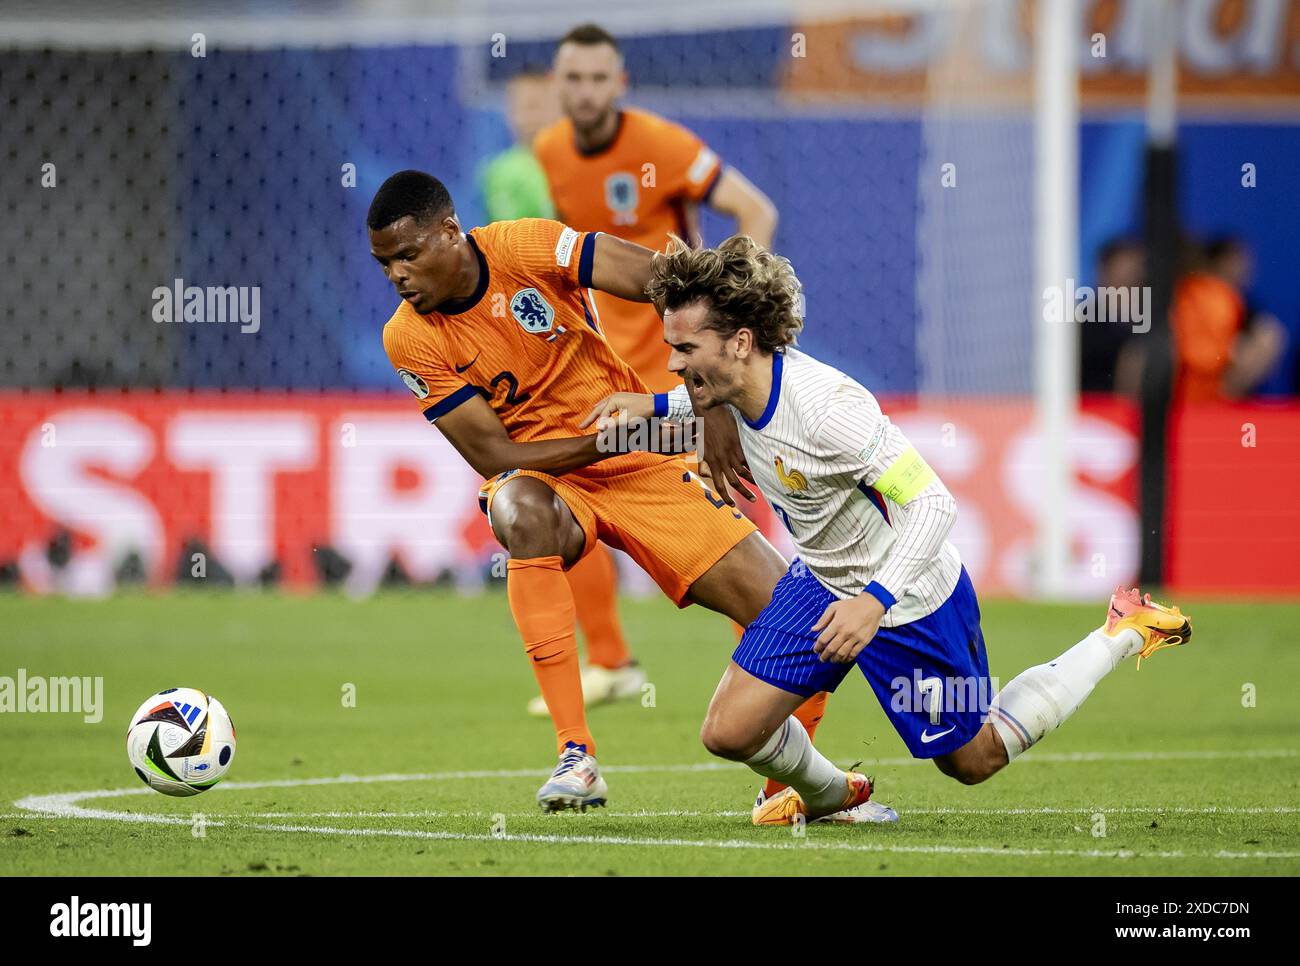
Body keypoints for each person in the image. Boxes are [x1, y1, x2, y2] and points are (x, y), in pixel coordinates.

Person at [583, 235, 1194, 823]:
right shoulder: (736, 386)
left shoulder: (828, 413)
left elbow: (933, 505)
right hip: (822, 583)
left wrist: (873, 604)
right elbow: (709, 396)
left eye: (685, 349)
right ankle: (830, 795)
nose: (671, 361)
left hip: (907, 598)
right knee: (729, 731)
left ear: (741, 342)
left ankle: (1119, 633)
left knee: (971, 759)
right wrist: (655, 406)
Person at [368, 171, 804, 815]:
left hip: (645, 464)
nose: (398, 276)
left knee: (791, 614)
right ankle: (576, 755)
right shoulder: (407, 337)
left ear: (450, 232)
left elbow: (666, 279)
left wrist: (706, 390)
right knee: (517, 507)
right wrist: (615, 438)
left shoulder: (525, 248)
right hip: (550, 475)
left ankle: (791, 790)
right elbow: (495, 455)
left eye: (408, 255)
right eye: (385, 264)